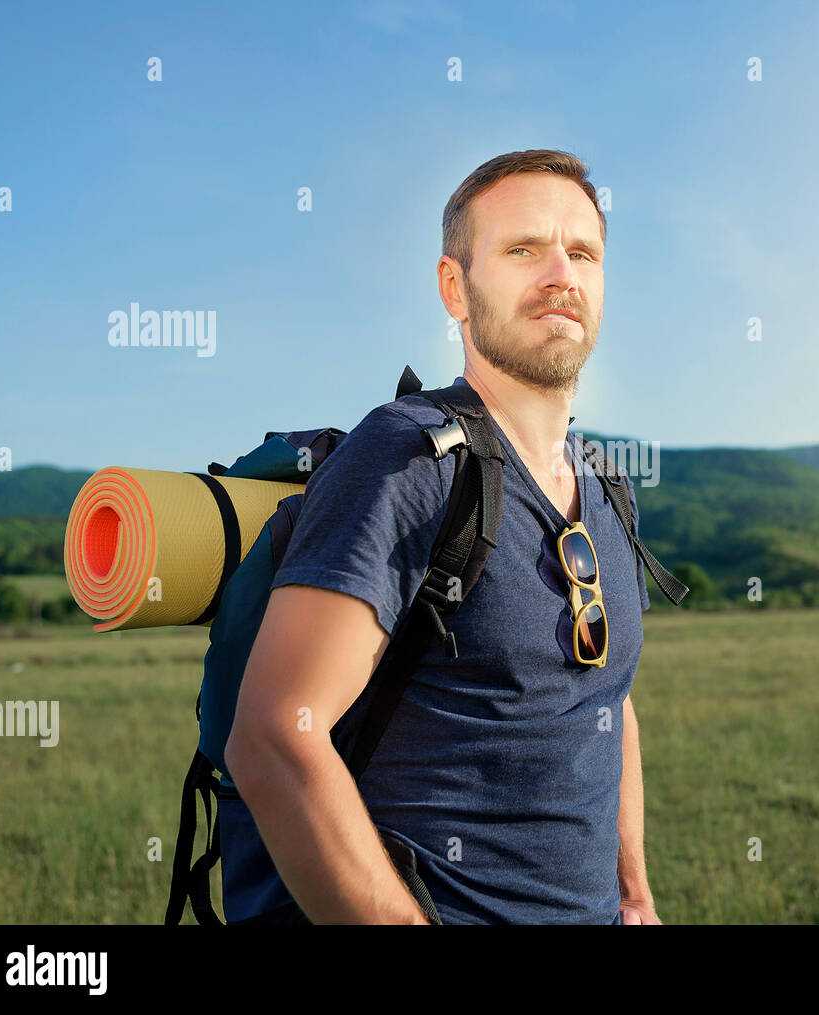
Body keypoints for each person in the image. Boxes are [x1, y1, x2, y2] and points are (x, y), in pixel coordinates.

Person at [223, 149, 661, 925]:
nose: (561, 272)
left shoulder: (605, 488)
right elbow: (272, 736)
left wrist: (634, 896)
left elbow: (607, 704)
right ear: (454, 287)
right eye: (522, 249)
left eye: (582, 252)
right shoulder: (405, 457)